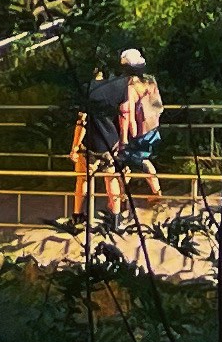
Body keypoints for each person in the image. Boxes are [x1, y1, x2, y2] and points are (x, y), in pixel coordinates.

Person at [69, 61, 132, 232]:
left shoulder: (87, 89)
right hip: (110, 141)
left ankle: (78, 217)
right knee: (111, 179)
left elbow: (82, 121)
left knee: (82, 179)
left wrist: (75, 146)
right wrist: (124, 139)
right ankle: (116, 218)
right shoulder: (118, 86)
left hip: (90, 142)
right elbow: (124, 114)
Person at [118, 48, 165, 207]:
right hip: (153, 128)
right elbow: (158, 105)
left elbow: (128, 113)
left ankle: (122, 197)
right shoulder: (151, 81)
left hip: (138, 132)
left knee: (128, 162)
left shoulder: (130, 86)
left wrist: (125, 138)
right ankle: (155, 193)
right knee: (142, 161)